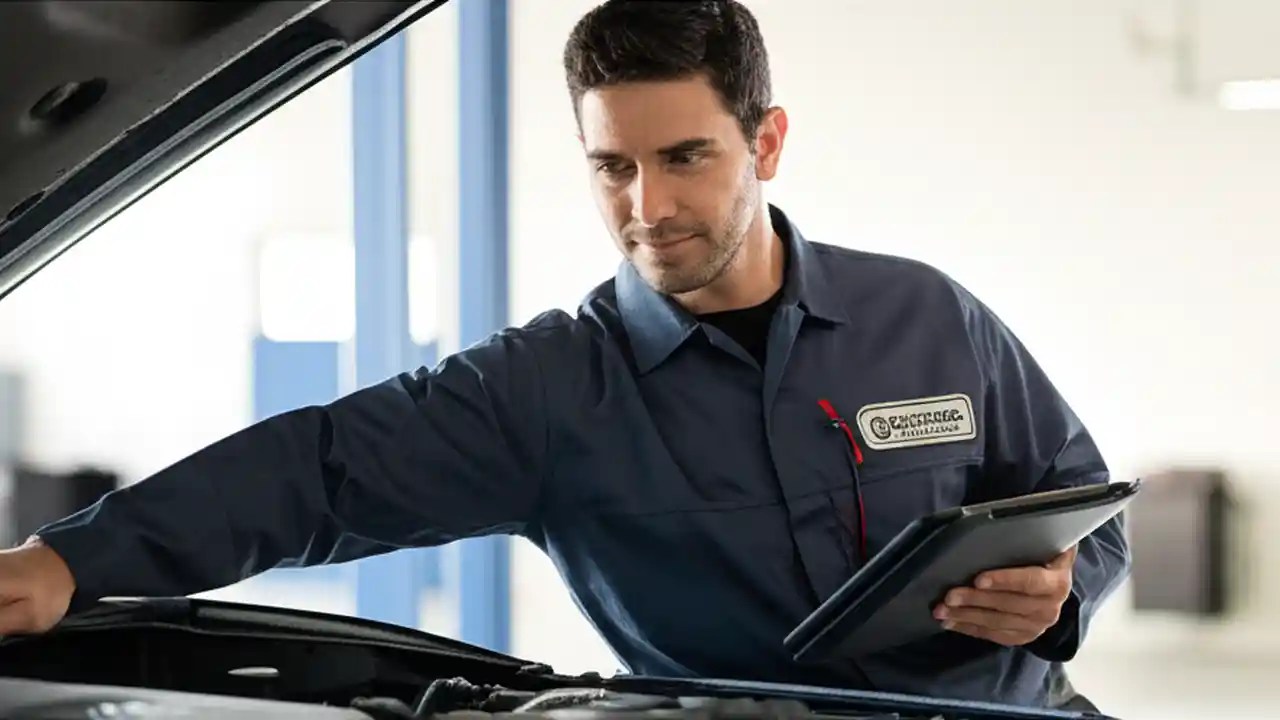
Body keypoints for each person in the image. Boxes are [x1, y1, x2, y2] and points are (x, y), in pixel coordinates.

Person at [0, 0, 1128, 710]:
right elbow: (316, 470)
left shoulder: (930, 316)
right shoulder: (543, 393)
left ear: (765, 141)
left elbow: (1085, 508)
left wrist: (1059, 593)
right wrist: (69, 562)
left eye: (685, 157)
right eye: (612, 166)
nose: (648, 206)